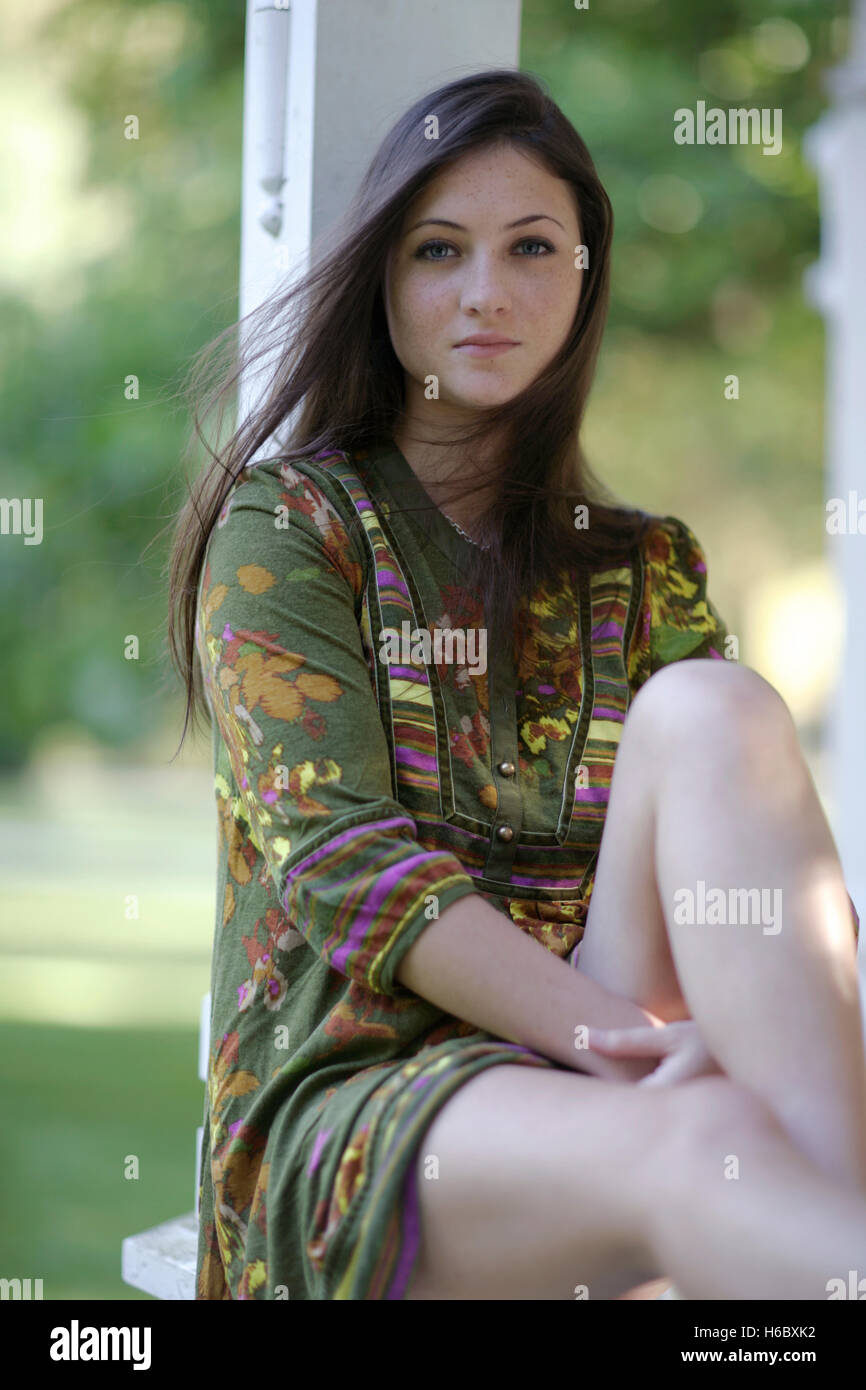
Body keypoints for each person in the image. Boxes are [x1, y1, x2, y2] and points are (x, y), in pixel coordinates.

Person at [166, 68, 866, 1301]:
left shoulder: (645, 566)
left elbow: (724, 873)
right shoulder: (293, 529)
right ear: (383, 277)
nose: (485, 292)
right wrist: (623, 1044)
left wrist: (634, 1041)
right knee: (704, 1144)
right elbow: (354, 875)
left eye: (532, 247)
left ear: (584, 277)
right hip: (357, 1099)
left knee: (719, 711)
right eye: (439, 249)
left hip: (585, 1062)